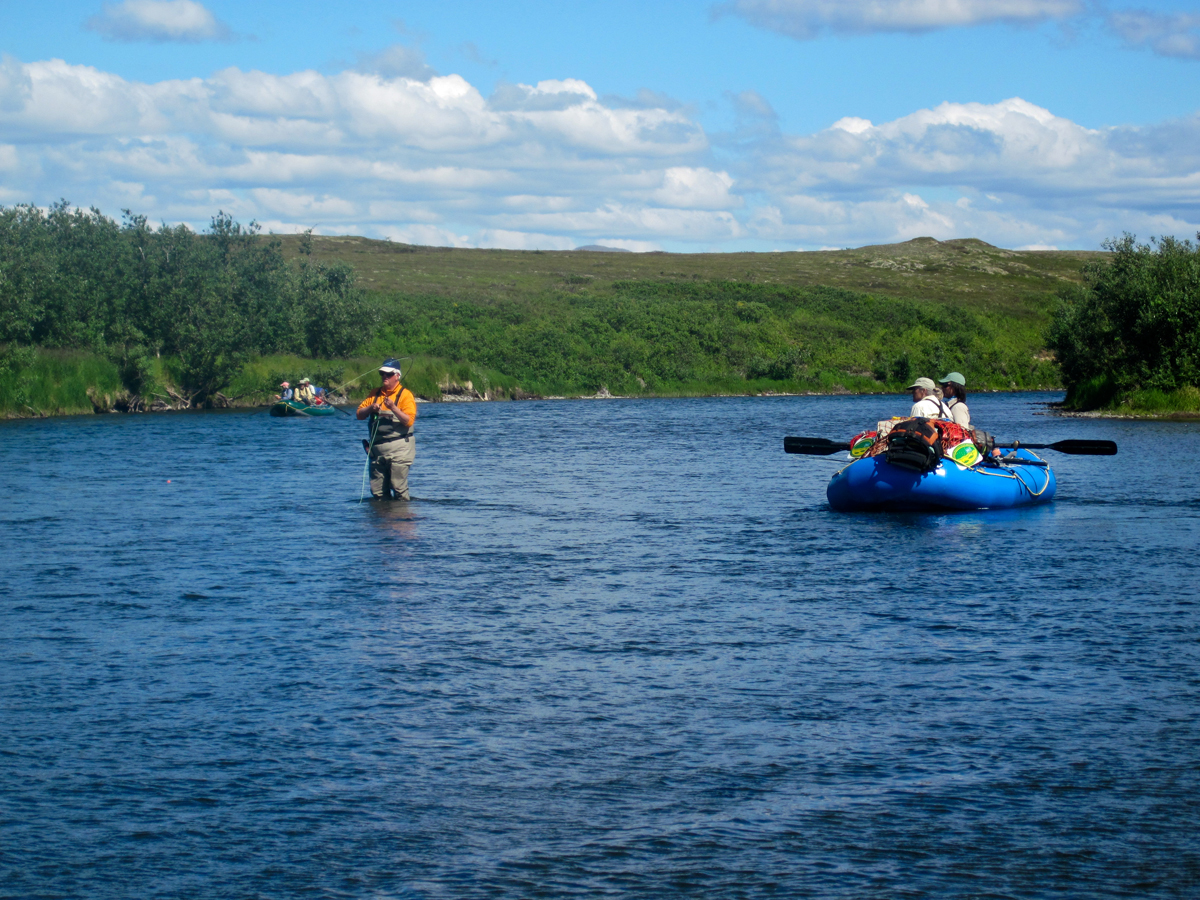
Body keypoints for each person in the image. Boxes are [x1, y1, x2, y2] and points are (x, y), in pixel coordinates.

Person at [357, 358, 417, 500]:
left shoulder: (405, 395)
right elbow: (359, 414)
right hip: (377, 451)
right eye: (382, 373)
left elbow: (408, 421)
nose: (384, 376)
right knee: (377, 492)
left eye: (388, 374)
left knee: (398, 488)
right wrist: (370, 408)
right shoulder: (374, 394)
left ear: (397, 376)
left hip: (400, 449)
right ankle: (383, 514)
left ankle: (401, 513)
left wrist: (393, 408)